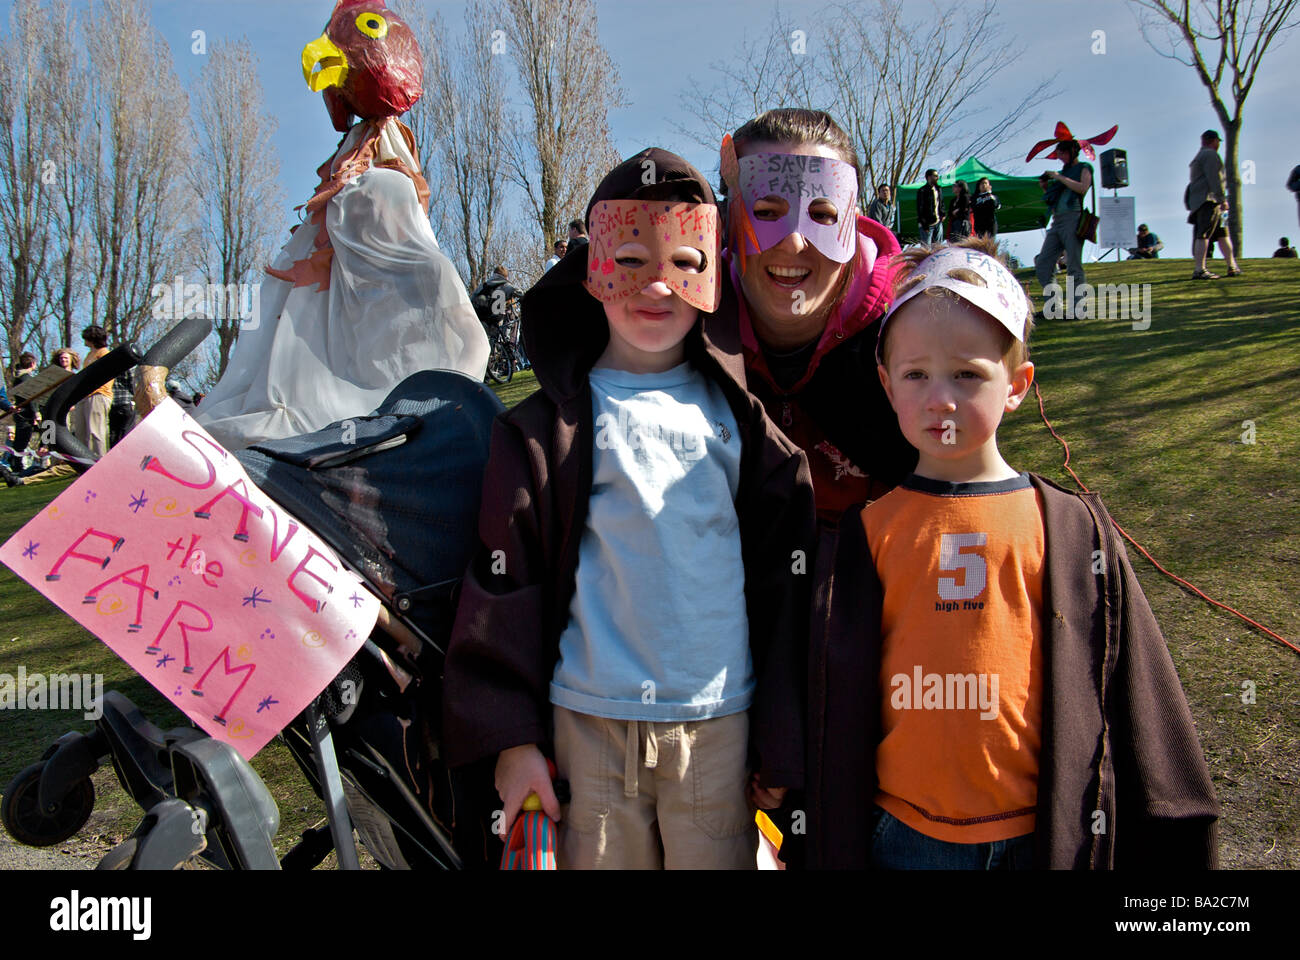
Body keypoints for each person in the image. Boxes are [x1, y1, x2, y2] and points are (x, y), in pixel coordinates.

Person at [442, 148, 816, 870]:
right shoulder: (543, 434)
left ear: (711, 279)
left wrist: (779, 732)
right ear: (593, 268)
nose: (656, 284)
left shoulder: (742, 426)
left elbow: (782, 581)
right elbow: (502, 587)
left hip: (717, 729)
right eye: (632, 257)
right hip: (590, 727)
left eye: (683, 260)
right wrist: (512, 740)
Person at [816, 235, 1220, 868]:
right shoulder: (869, 530)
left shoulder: (1070, 527)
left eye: (968, 374)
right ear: (886, 384)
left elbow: (1137, 687)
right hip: (905, 836)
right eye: (916, 374)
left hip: (1044, 834)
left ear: (1017, 384)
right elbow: (834, 692)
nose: (940, 398)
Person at [721, 108, 917, 868]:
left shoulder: (915, 335)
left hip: (892, 682)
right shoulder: (675, 322)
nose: (794, 242)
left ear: (855, 217)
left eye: (822, 214)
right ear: (728, 214)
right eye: (766, 211)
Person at [1033, 138, 1092, 316]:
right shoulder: (1063, 172)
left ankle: (1078, 309)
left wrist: (1059, 177)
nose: (1060, 157)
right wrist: (1046, 187)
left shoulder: (1084, 168)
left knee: (1073, 264)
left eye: (1062, 153)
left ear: (1072, 152)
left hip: (1073, 218)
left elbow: (1082, 188)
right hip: (1057, 220)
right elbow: (1055, 199)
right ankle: (1053, 308)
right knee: (1043, 263)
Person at [1187, 130, 1241, 279]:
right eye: (1218, 141)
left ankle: (1232, 266)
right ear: (1214, 140)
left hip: (1210, 203)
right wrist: (1222, 199)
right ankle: (1200, 269)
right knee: (1203, 235)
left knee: (1224, 234)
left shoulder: (1199, 157)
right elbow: (1215, 178)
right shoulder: (1210, 155)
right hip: (1210, 202)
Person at [73, 325, 111, 458]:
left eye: (86, 338)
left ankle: (100, 460)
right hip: (84, 396)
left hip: (99, 394)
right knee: (81, 432)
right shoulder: (89, 354)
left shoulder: (104, 353)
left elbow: (104, 374)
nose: (84, 341)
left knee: (96, 431)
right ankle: (84, 462)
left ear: (93, 338)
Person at [4, 353, 39, 467]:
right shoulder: (26, 378)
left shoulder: (19, 378)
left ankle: (16, 463)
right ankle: (16, 464)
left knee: (21, 440)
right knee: (21, 442)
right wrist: (36, 413)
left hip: (22, 413)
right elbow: (30, 397)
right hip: (25, 414)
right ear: (33, 364)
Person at [470, 265, 523, 331]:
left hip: (476, 322)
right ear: (506, 277)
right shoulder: (505, 286)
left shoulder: (483, 286)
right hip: (493, 325)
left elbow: (471, 301)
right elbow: (520, 293)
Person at [916, 168, 944, 245]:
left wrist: (943, 213)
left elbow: (941, 203)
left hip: (938, 222)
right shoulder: (922, 190)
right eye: (935, 176)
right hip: (927, 224)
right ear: (929, 177)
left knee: (938, 247)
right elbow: (920, 208)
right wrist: (924, 224)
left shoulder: (938, 189)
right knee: (926, 248)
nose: (937, 178)